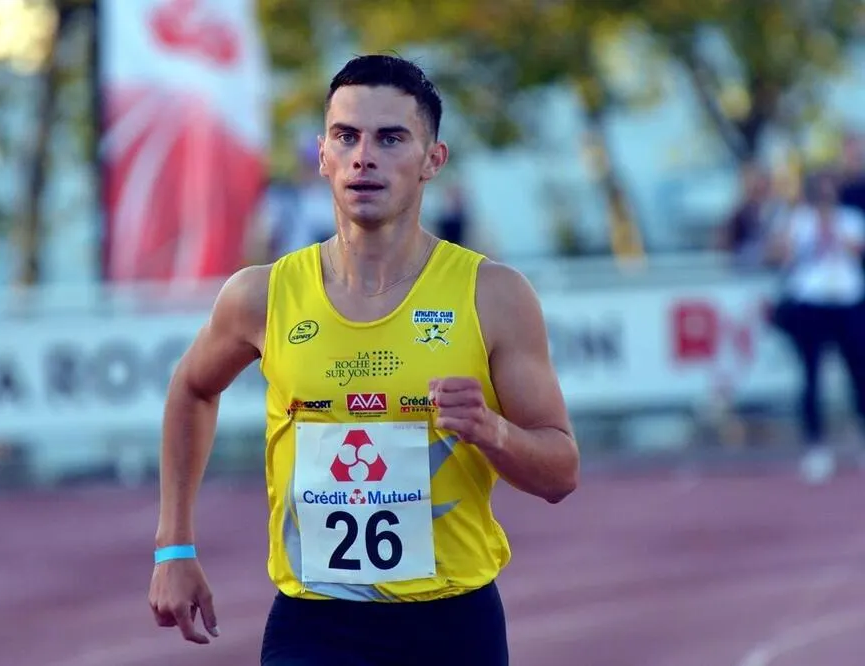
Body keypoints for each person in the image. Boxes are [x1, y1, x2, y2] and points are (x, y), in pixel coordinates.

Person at [147, 54, 580, 666]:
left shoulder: (492, 295)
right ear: (323, 155)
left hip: (452, 623)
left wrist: (491, 430)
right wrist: (174, 547)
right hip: (315, 625)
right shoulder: (262, 295)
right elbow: (192, 388)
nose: (364, 157)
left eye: (390, 138)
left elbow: (560, 473)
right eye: (346, 136)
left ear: (433, 159)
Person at [769, 172, 865, 484]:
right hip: (811, 302)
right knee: (811, 375)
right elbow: (779, 256)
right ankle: (816, 447)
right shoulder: (798, 221)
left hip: (848, 300)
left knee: (859, 373)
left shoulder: (850, 219)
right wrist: (792, 234)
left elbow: (857, 252)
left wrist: (834, 230)